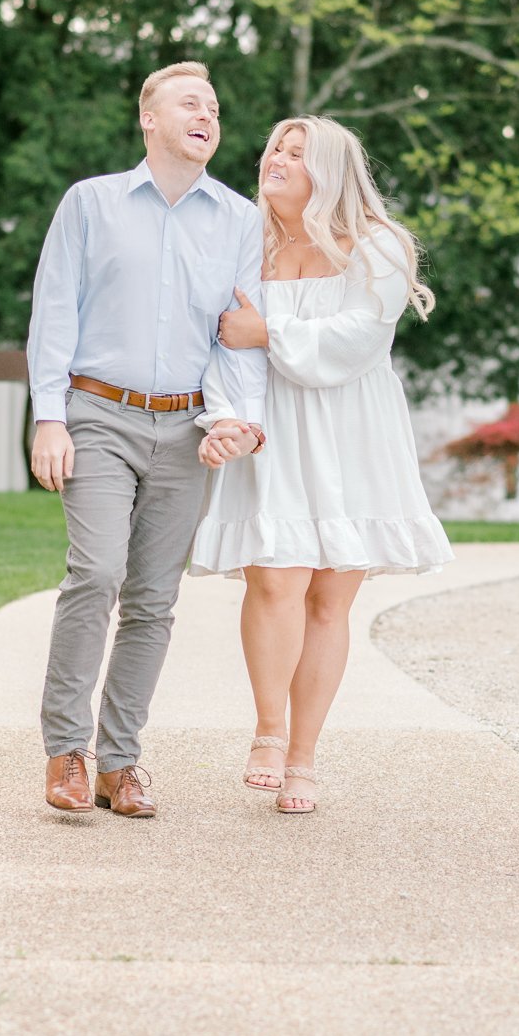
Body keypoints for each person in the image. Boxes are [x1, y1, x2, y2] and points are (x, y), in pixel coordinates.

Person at [188, 115, 453, 815]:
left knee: (328, 599)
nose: (277, 156)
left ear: (330, 171)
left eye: (297, 152)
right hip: (270, 424)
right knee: (273, 576)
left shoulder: (379, 246)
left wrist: (268, 328)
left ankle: (306, 755)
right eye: (275, 145)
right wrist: (226, 418)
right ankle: (269, 731)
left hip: (352, 431)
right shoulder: (241, 242)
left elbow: (359, 340)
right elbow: (216, 343)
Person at [27, 62, 268, 819]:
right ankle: (67, 750)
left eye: (216, 107)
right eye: (190, 102)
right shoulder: (91, 203)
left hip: (187, 427)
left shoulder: (238, 220)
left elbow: (235, 335)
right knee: (97, 572)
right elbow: (54, 308)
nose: (207, 114)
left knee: (154, 601)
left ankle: (119, 763)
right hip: (98, 413)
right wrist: (49, 414)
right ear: (149, 119)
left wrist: (234, 414)